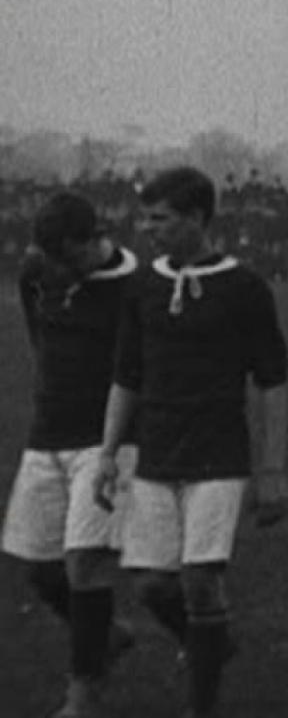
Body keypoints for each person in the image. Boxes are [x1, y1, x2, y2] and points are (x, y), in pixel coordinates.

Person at [94, 166, 288, 718]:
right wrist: (109, 453)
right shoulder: (145, 287)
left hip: (218, 457)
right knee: (154, 585)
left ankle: (200, 707)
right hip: (156, 453)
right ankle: (214, 642)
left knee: (201, 580)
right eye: (146, 217)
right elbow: (126, 375)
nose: (148, 229)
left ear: (197, 219)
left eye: (160, 219)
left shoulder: (245, 287)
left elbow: (272, 380)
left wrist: (271, 470)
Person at [2, 192, 139, 717]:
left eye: (70, 256)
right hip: (47, 433)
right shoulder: (39, 270)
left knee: (84, 564)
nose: (61, 269)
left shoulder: (133, 286)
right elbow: (42, 339)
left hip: (108, 441)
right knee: (39, 569)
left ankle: (81, 699)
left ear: (94, 237)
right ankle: (108, 633)